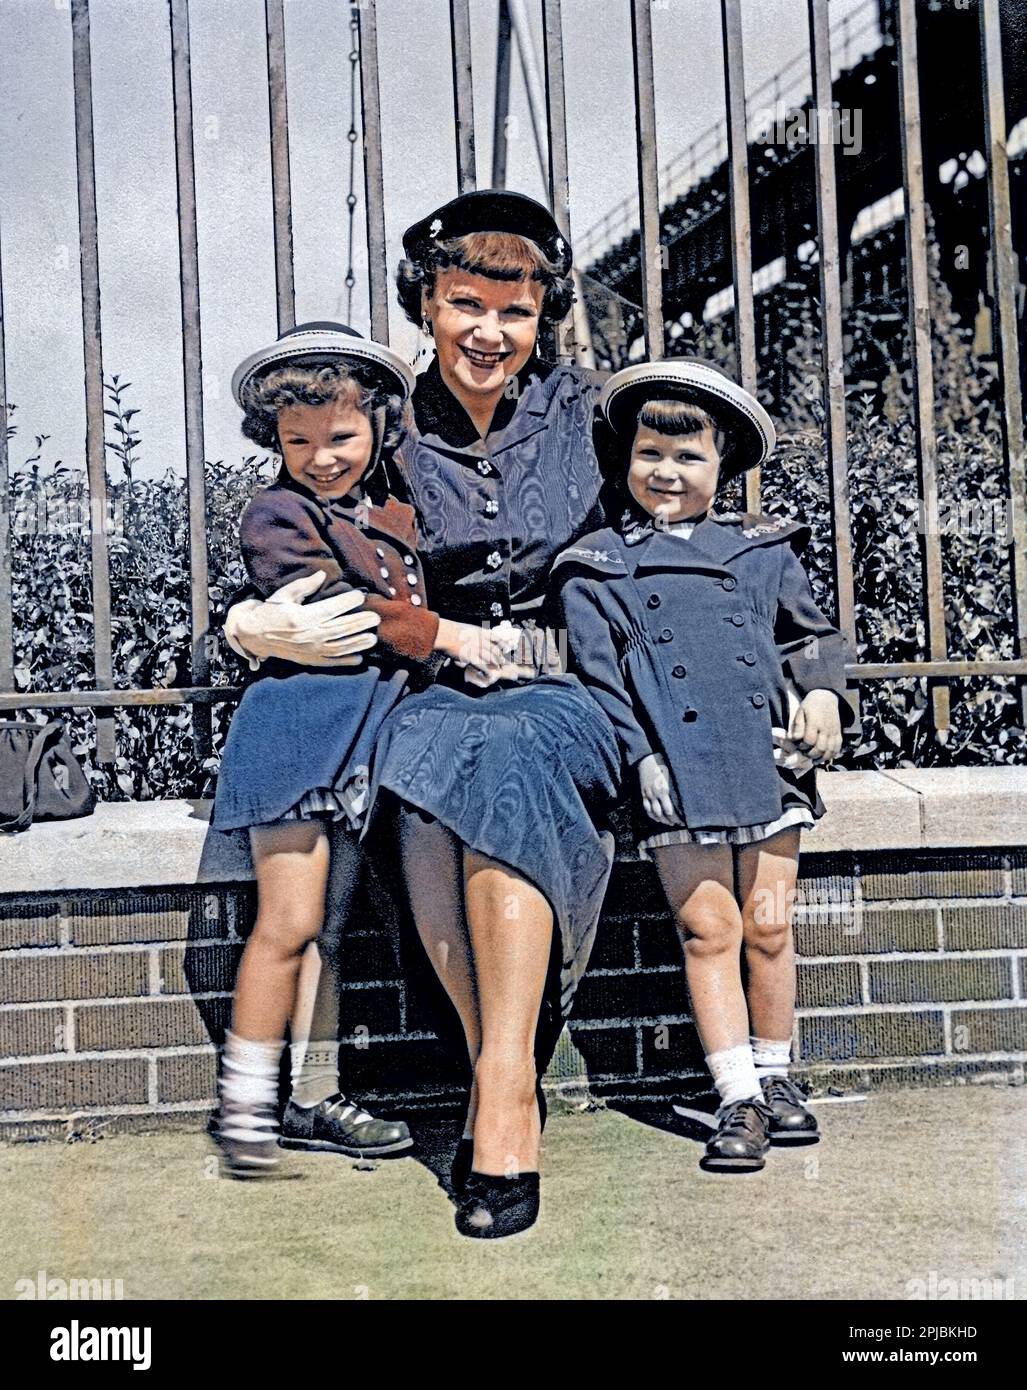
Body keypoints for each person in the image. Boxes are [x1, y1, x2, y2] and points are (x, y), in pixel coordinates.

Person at [225, 191, 622, 1236]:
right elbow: (297, 534)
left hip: (559, 685)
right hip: (426, 686)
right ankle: (507, 1067)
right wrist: (247, 625)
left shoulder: (588, 412)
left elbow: (677, 527)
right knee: (433, 787)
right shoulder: (388, 425)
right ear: (427, 306)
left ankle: (498, 1097)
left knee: (498, 760)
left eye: (515, 312)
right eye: (464, 305)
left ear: (543, 320)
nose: (489, 333)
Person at [211, 322, 509, 1177]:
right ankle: (244, 1112)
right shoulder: (278, 514)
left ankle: (310, 1098)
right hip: (300, 740)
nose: (320, 456)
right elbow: (349, 611)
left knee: (327, 929)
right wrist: (446, 634)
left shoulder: (392, 510)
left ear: (378, 426)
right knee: (289, 923)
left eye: (341, 436)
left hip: (356, 747)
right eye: (296, 440)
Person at [552, 358, 859, 1173]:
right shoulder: (596, 568)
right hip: (676, 773)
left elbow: (811, 637)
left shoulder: (762, 550)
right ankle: (736, 1098)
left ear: (723, 464)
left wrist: (822, 698)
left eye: (689, 457)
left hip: (768, 760)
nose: (667, 472)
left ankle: (777, 1077)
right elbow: (597, 679)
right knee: (706, 928)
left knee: (765, 925)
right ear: (625, 460)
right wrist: (640, 755)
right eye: (650, 453)